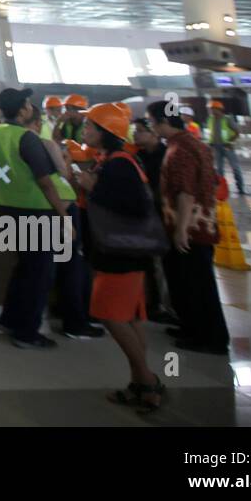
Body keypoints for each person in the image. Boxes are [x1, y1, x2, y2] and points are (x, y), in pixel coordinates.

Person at [74, 102, 164, 413]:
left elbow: (133, 207)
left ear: (107, 132)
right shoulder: (112, 160)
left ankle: (146, 379)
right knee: (132, 316)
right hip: (123, 251)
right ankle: (141, 382)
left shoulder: (120, 164)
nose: (84, 131)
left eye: (90, 127)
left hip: (120, 253)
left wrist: (92, 188)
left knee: (111, 315)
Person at [0, 87, 72, 349]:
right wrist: (63, 215)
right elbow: (45, 181)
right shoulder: (27, 138)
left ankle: (9, 320)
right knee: (39, 274)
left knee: (24, 269)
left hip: (6, 208)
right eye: (28, 104)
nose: (31, 107)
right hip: (35, 210)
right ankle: (26, 332)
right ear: (23, 110)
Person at [147, 102, 230, 356]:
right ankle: (191, 327)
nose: (150, 126)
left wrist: (181, 228)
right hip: (199, 223)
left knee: (196, 284)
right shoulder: (194, 143)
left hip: (191, 228)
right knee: (185, 281)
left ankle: (208, 337)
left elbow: (186, 192)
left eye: (151, 121)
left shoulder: (180, 149)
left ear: (163, 121)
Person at [26, 106, 103, 340]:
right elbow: (64, 174)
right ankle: (75, 321)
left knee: (66, 265)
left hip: (58, 209)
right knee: (72, 265)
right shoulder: (54, 145)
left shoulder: (20, 142)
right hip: (67, 207)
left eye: (90, 125)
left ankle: (74, 315)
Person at [132, 118, 176, 325]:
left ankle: (167, 307)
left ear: (154, 134)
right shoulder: (138, 155)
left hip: (162, 215)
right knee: (149, 263)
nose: (135, 135)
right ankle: (152, 303)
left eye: (141, 131)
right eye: (135, 131)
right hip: (144, 215)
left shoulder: (166, 155)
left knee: (162, 264)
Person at [206, 100, 245, 196]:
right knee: (219, 170)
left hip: (227, 147)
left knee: (235, 168)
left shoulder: (227, 119)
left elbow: (237, 131)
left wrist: (231, 142)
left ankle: (240, 188)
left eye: (213, 109)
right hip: (216, 147)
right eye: (211, 109)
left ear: (219, 109)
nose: (211, 111)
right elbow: (211, 133)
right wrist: (210, 144)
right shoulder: (210, 119)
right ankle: (221, 189)